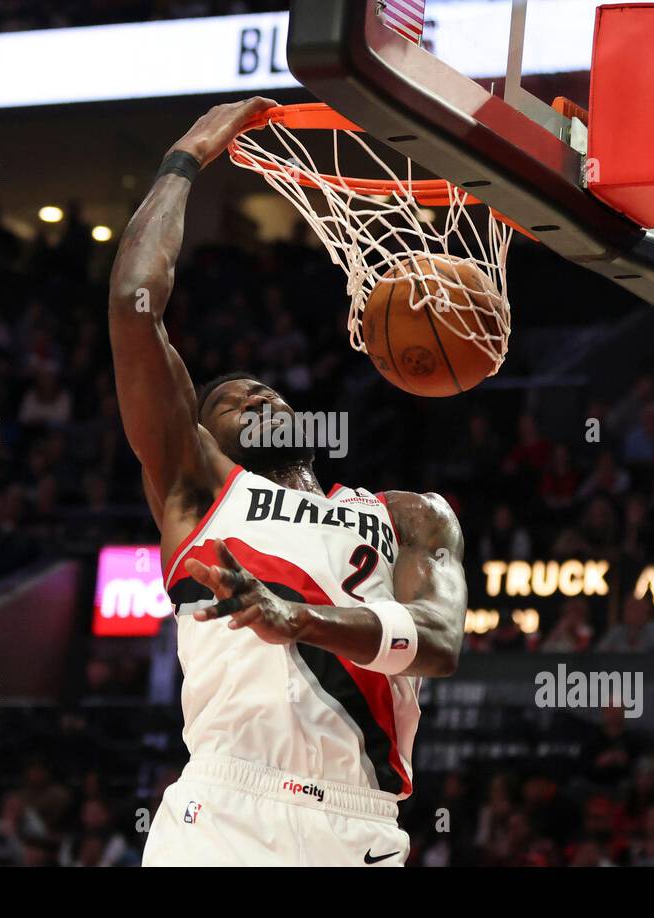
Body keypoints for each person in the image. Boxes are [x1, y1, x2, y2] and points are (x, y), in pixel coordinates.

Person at [110, 99, 468, 867]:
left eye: (269, 390)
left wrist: (300, 619)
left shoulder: (408, 516)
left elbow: (437, 643)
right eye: (231, 397)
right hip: (224, 809)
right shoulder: (199, 488)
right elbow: (133, 311)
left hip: (358, 817)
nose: (258, 395)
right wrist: (188, 155)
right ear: (204, 435)